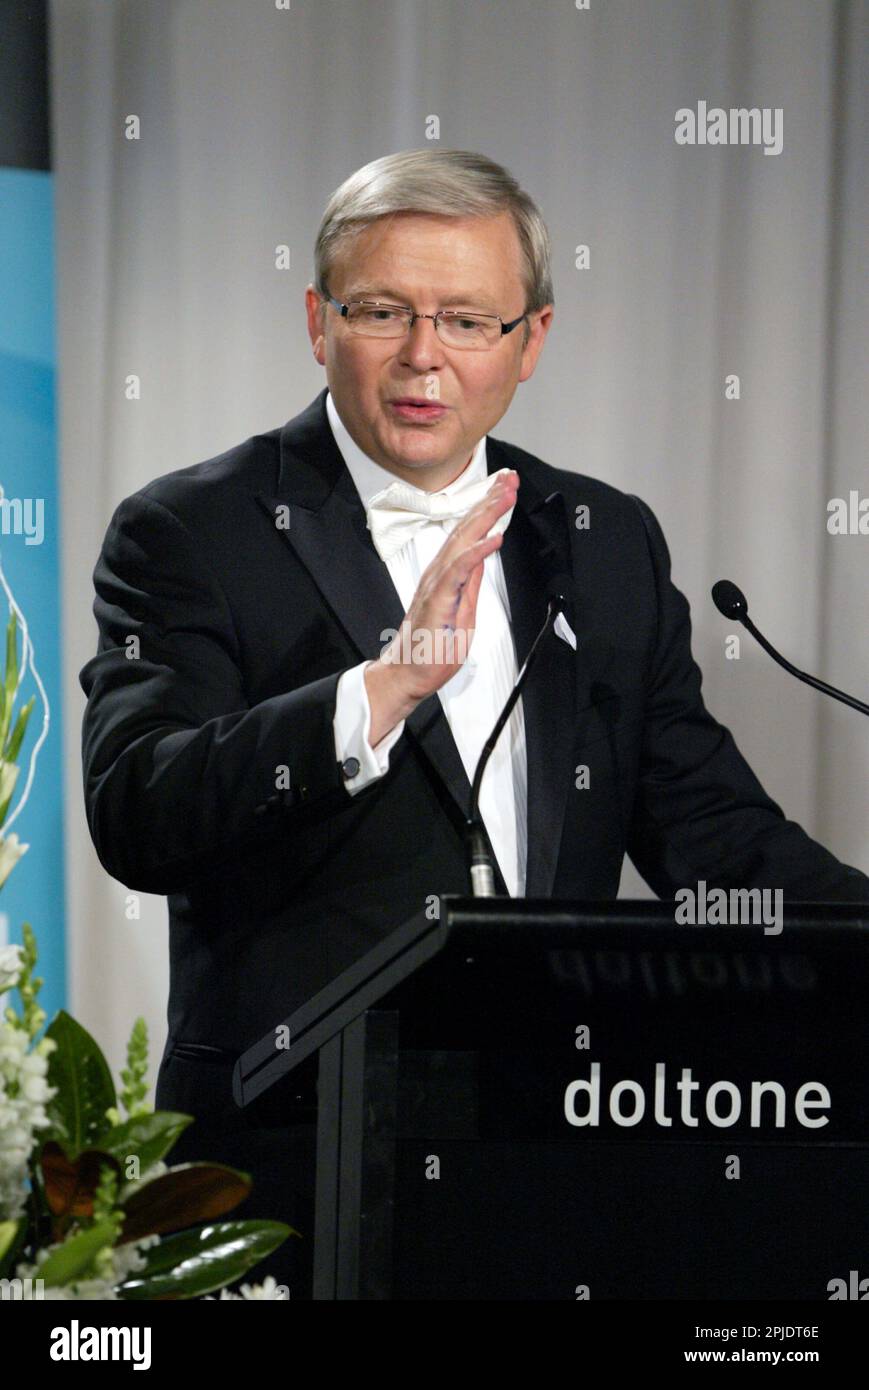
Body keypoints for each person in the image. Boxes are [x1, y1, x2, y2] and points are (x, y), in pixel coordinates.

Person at [79, 149, 869, 1298]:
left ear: (529, 340)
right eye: (382, 310)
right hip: (279, 1171)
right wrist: (381, 689)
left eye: (464, 318)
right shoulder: (191, 530)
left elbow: (717, 839)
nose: (421, 355)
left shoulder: (601, 540)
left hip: (550, 1153)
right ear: (316, 320)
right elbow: (140, 809)